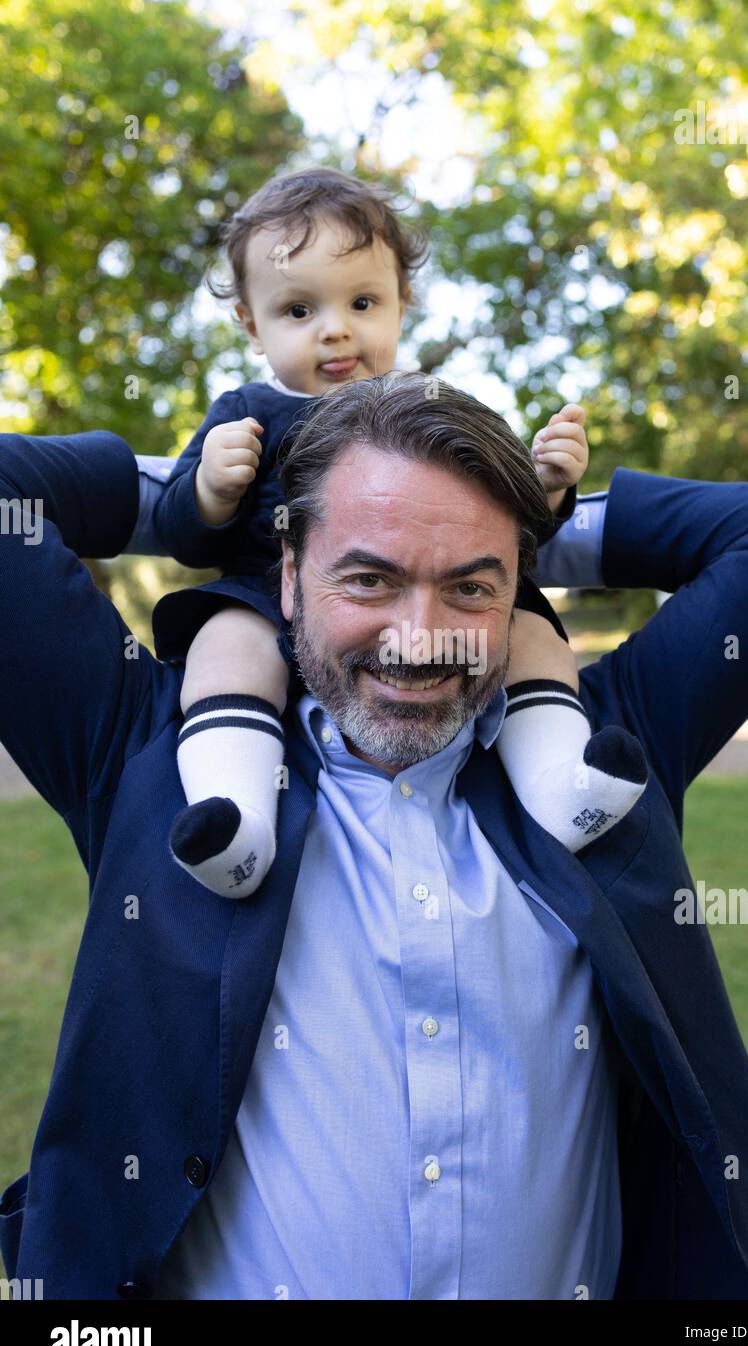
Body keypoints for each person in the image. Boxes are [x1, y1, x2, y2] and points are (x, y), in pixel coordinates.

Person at [0, 372, 748, 1299]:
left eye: (470, 586)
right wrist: (199, 506)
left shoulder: (599, 749)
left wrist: (542, 526)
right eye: (370, 577)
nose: (420, 638)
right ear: (290, 574)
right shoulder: (150, 752)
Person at [142, 166, 646, 899]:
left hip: (429, 598)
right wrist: (209, 492)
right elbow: (182, 536)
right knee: (225, 649)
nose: (335, 328)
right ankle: (237, 821)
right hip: (263, 596)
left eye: (363, 302)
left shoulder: (434, 409)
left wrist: (547, 489)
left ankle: (560, 791)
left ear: (403, 304)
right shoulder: (244, 412)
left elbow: (504, 527)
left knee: (531, 632)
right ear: (251, 324)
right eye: (298, 310)